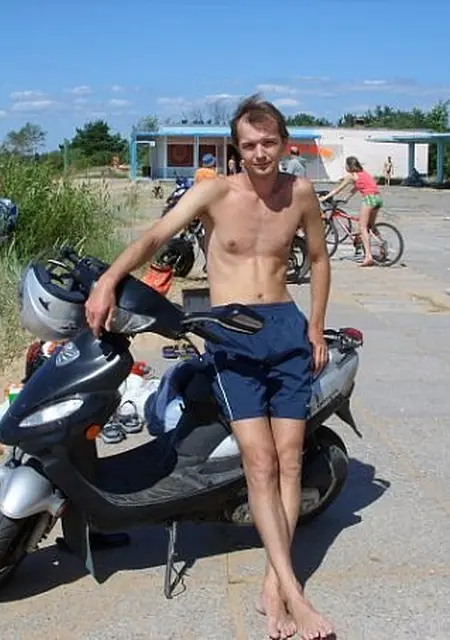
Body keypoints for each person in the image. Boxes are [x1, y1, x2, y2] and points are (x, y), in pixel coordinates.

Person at [85, 94, 333, 640]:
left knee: (291, 460)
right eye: (249, 145)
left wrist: (315, 326)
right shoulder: (215, 193)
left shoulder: (300, 193)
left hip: (286, 329)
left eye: (269, 143)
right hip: (232, 334)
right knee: (260, 462)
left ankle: (273, 582)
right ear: (236, 149)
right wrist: (107, 280)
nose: (260, 153)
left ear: (284, 144)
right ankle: (294, 593)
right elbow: (155, 237)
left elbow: (318, 259)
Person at [320, 156, 383, 267]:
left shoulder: (351, 176)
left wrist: (324, 198)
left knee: (362, 227)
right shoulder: (363, 173)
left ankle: (368, 256)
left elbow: (338, 189)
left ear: (349, 166)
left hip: (369, 199)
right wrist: (346, 199)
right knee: (371, 226)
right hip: (378, 198)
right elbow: (357, 188)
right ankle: (382, 246)